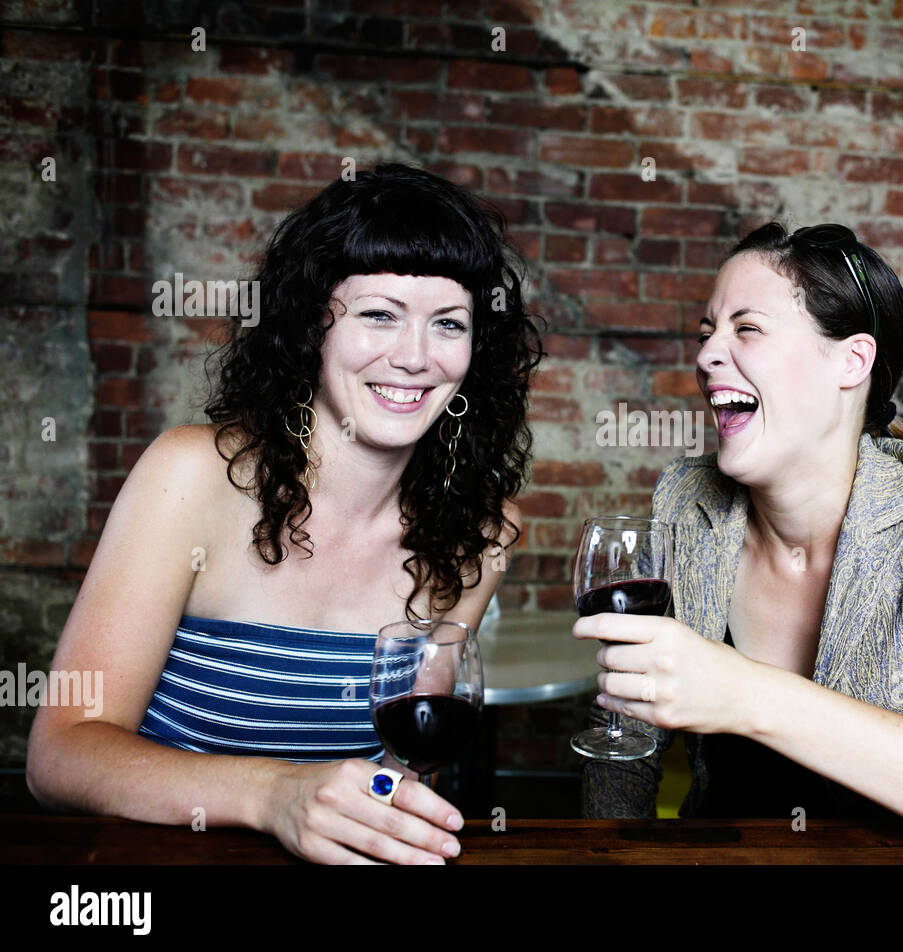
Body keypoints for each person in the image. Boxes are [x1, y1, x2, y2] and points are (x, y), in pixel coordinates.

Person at [26, 164, 542, 864]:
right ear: (311, 326)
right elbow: (60, 755)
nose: (415, 357)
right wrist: (276, 795)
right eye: (379, 314)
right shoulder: (192, 476)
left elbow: (404, 771)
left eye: (448, 323)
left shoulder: (481, 531)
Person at [577, 221, 903, 865]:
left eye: (748, 328)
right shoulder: (685, 501)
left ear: (851, 362)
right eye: (707, 332)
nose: (707, 355)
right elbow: (624, 741)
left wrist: (749, 695)